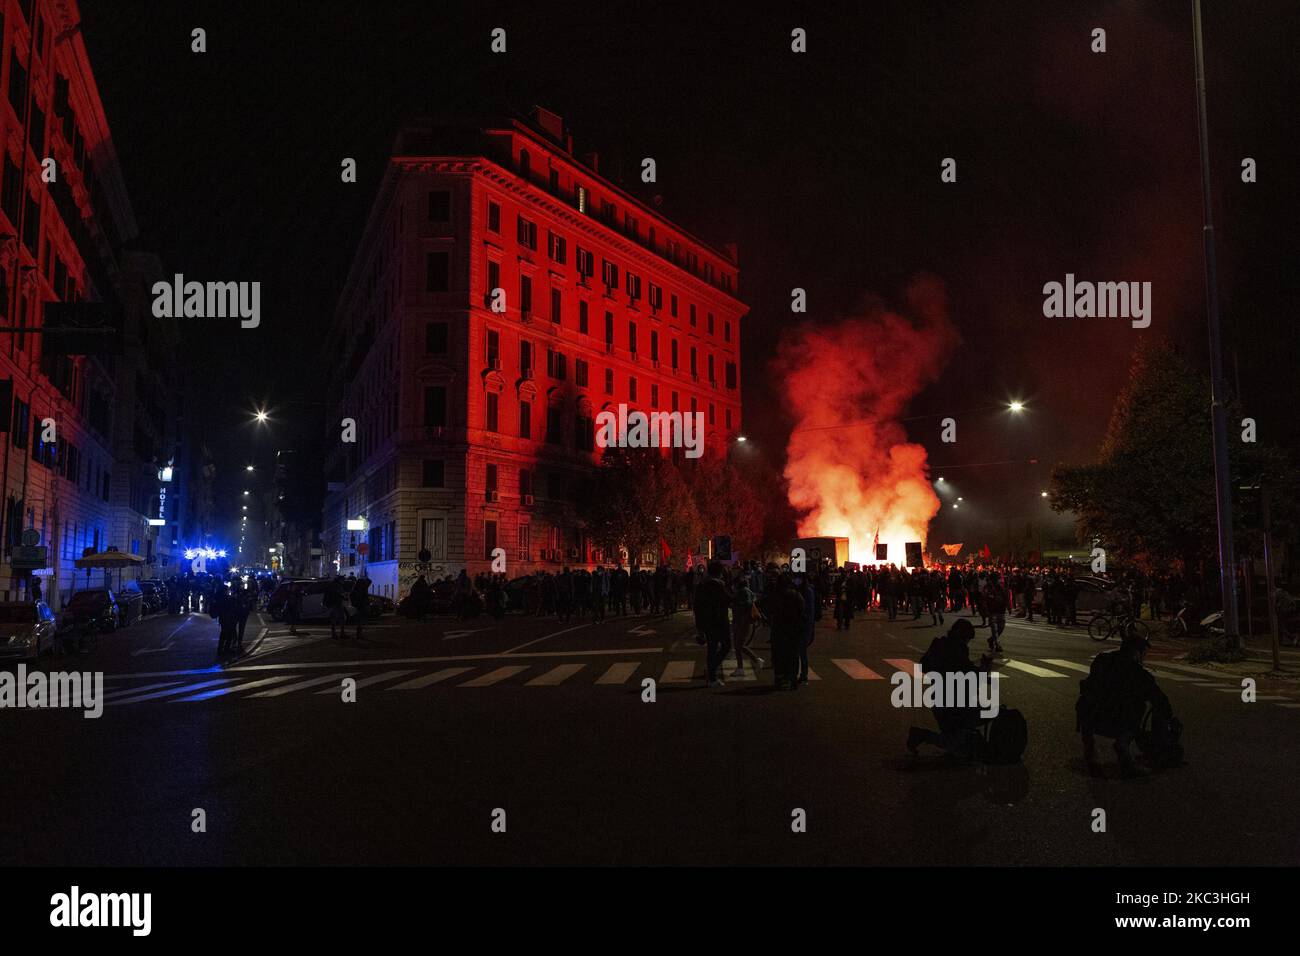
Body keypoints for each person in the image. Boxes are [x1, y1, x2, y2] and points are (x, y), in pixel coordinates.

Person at [1076, 632, 1177, 777]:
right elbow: (1161, 701)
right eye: (1143, 653)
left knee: (1088, 698)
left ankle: (1089, 746)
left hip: (1089, 715)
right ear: (1137, 653)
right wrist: (1166, 720)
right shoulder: (1140, 675)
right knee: (1138, 706)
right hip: (1114, 720)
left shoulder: (1102, 660)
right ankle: (1123, 746)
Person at [907, 618, 990, 757]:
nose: (967, 642)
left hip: (941, 700)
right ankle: (923, 735)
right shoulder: (955, 649)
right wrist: (983, 669)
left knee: (960, 736)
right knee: (958, 743)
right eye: (966, 638)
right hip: (951, 703)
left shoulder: (941, 644)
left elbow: (924, 666)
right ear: (960, 635)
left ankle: (956, 736)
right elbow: (967, 671)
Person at [693, 561, 732, 687]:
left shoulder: (702, 584)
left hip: (707, 621)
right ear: (720, 572)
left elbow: (697, 606)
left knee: (712, 648)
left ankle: (712, 677)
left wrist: (699, 626)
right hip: (719, 620)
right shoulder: (718, 585)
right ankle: (711, 672)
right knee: (726, 646)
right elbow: (727, 600)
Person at [768, 573, 807, 690]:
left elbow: (770, 610)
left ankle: (779, 678)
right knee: (793, 655)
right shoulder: (796, 595)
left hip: (779, 628)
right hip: (793, 628)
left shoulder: (775, 595)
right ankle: (792, 679)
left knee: (779, 655)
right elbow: (802, 610)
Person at [730, 573, 764, 676]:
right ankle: (746, 665)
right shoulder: (745, 591)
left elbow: (747, 605)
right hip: (741, 621)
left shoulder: (743, 592)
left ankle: (752, 662)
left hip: (743, 622)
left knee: (739, 645)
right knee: (738, 645)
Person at [351, 572, 371, 639]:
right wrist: (366, 577)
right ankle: (359, 634)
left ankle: (359, 634)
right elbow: (369, 581)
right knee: (360, 621)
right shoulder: (361, 590)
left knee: (360, 621)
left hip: (358, 606)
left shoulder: (355, 590)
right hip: (361, 606)